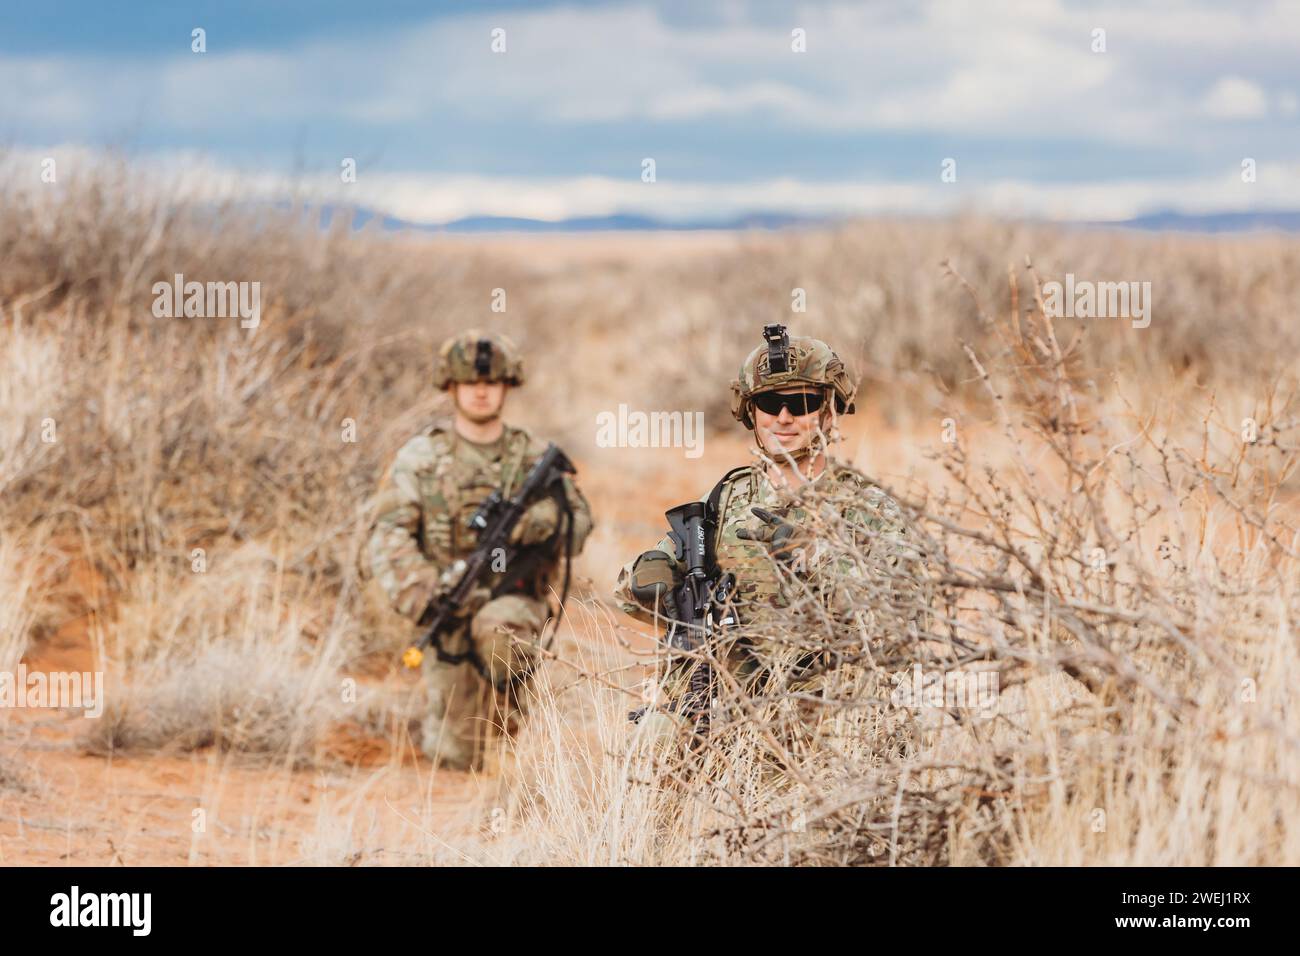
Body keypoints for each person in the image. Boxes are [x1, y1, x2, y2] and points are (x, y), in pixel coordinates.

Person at [614, 324, 917, 748]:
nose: (784, 418)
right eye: (770, 403)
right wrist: (648, 576)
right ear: (750, 412)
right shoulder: (723, 501)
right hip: (722, 704)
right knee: (653, 739)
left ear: (830, 411)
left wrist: (810, 560)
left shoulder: (867, 510)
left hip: (829, 713)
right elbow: (631, 596)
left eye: (802, 403)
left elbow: (900, 619)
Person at [368, 330, 593, 770]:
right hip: (447, 600)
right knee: (456, 755)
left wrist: (542, 521)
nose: (481, 391)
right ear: (451, 386)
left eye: (491, 382)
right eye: (470, 382)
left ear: (508, 385)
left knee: (498, 640)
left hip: (515, 598)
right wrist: (424, 592)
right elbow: (389, 532)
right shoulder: (421, 458)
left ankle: (514, 731)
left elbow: (579, 525)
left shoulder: (532, 456)